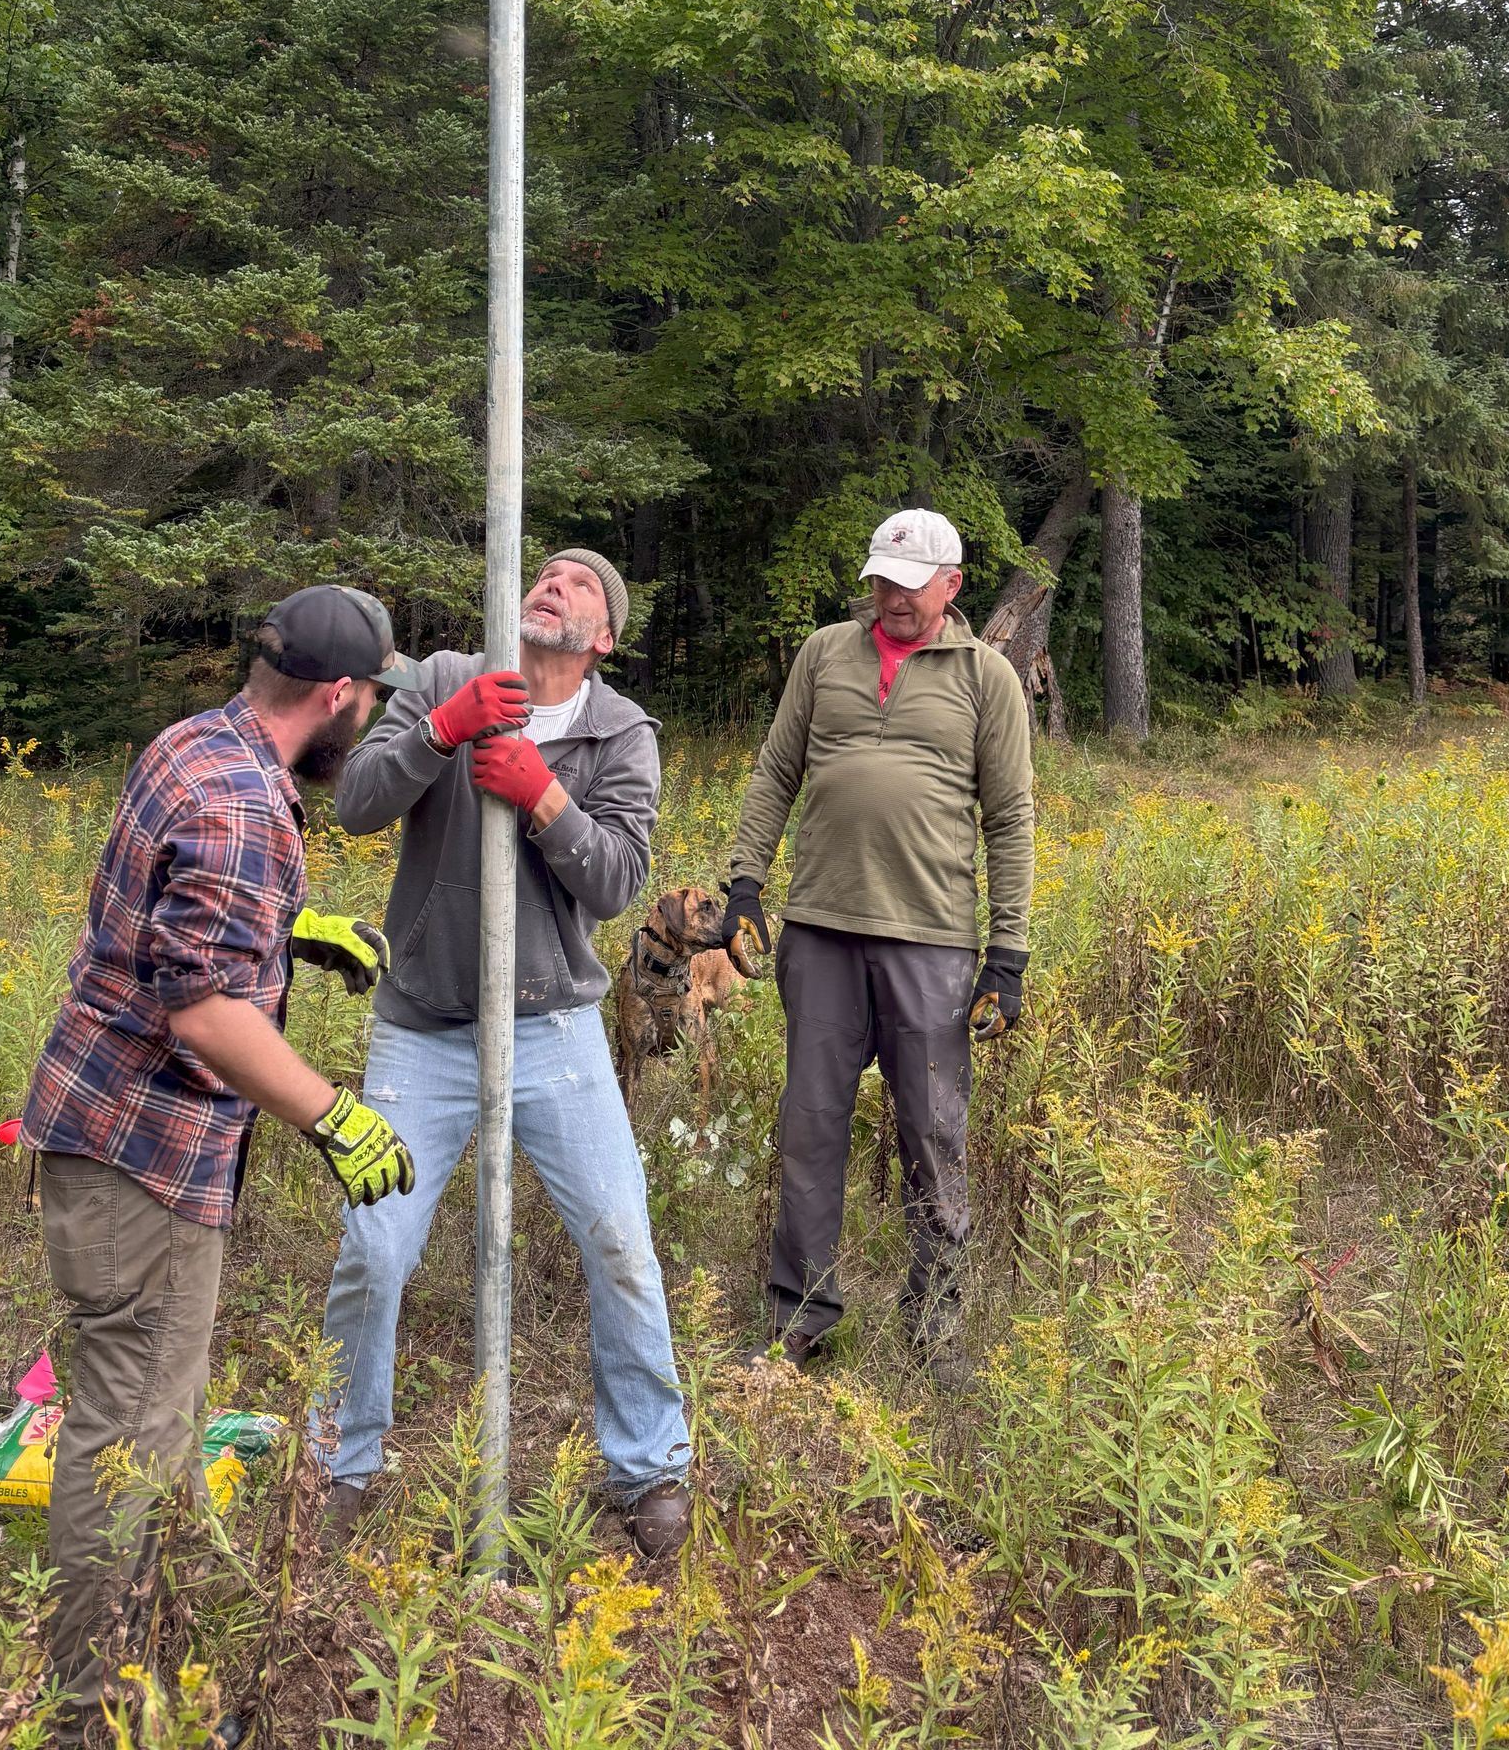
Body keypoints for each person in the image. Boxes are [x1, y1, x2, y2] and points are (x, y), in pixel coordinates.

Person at [20, 585, 419, 1739]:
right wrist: (331, 1114)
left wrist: (299, 929)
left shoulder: (200, 743)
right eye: (373, 697)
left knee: (159, 1420)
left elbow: (169, 921)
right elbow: (198, 1006)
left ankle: (151, 1682)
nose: (370, 718)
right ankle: (95, 1719)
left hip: (111, 1135)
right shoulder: (247, 799)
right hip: (140, 1156)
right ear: (339, 696)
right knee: (127, 1442)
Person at [313, 548, 691, 1558]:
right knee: (374, 1248)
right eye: (547, 571)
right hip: (425, 1022)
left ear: (603, 634)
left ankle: (650, 1468)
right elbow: (356, 802)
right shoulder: (443, 679)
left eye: (580, 583)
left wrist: (542, 796)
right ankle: (343, 1464)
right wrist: (441, 731)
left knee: (619, 1237)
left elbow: (616, 882)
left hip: (555, 1024)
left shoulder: (622, 733)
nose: (553, 582)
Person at [722, 509, 1034, 1382]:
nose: (890, 598)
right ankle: (800, 1320)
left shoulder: (988, 678)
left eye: (909, 583)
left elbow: (1010, 819)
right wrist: (746, 882)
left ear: (951, 585)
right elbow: (776, 770)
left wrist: (1005, 957)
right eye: (880, 582)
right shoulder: (825, 654)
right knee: (810, 1126)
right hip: (820, 928)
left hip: (931, 940)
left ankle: (934, 1329)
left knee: (933, 1134)